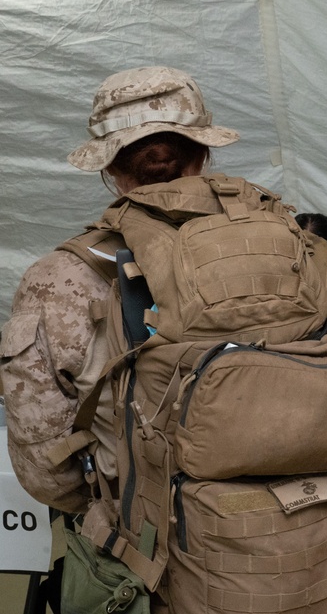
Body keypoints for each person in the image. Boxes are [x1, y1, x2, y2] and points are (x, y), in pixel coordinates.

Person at [0, 66, 239, 514]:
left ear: (108, 166)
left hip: (153, 546)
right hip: (316, 536)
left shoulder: (59, 281)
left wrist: (116, 511)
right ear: (205, 152)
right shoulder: (297, 248)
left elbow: (42, 465)